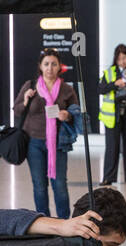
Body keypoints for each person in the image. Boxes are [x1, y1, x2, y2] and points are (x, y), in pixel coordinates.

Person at [14, 50, 78, 219]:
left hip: (58, 143)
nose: (50, 68)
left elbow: (76, 112)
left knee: (60, 185)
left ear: (59, 67)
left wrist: (67, 115)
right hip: (33, 143)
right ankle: (44, 223)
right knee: (40, 186)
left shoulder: (66, 89)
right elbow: (17, 110)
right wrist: (26, 100)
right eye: (46, 64)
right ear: (40, 67)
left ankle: (65, 223)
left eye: (54, 64)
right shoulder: (30, 86)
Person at [97, 43, 126, 185]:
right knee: (112, 146)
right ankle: (108, 177)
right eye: (119, 59)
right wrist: (114, 84)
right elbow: (100, 89)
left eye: (124, 58)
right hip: (114, 114)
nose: (122, 62)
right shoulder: (109, 72)